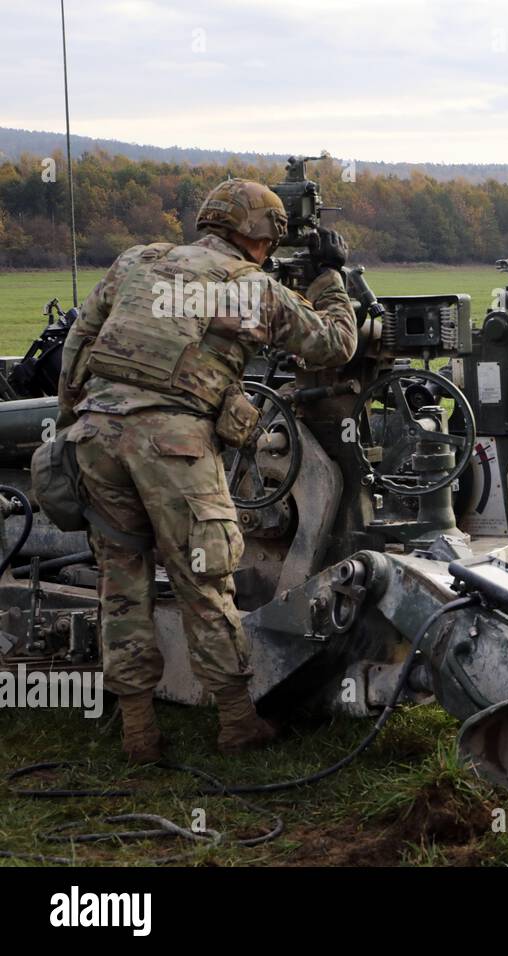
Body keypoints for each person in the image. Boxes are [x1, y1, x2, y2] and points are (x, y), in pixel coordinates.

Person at [56, 178, 358, 763]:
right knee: (205, 581)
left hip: (96, 436)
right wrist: (330, 283)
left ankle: (138, 731)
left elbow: (79, 341)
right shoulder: (252, 286)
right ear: (261, 236)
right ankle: (237, 723)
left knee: (121, 583)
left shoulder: (136, 260)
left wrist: (76, 419)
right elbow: (334, 345)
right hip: (174, 445)